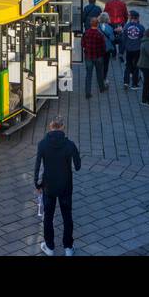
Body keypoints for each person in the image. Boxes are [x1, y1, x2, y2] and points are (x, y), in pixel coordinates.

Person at [34, 117, 81, 256]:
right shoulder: (70, 145)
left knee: (48, 216)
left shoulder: (42, 144)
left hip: (48, 186)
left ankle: (49, 247)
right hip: (66, 186)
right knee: (67, 216)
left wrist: (37, 183)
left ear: (50, 127)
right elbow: (78, 167)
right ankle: (68, 248)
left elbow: (37, 166)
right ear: (63, 127)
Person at [81, 18, 107, 98]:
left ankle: (88, 92)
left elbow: (82, 44)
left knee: (88, 75)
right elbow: (103, 46)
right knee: (99, 73)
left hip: (88, 56)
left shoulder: (86, 33)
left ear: (90, 24)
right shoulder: (100, 34)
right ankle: (101, 88)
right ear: (98, 24)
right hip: (98, 57)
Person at [122, 11, 144, 89]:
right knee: (136, 66)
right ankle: (134, 84)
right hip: (137, 49)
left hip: (128, 49)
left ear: (131, 17)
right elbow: (142, 38)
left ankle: (126, 82)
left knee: (128, 66)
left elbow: (123, 39)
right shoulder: (141, 27)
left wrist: (122, 50)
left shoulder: (126, 26)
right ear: (137, 18)